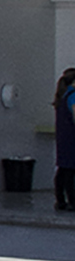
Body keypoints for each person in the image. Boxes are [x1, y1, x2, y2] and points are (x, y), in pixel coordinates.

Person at [55, 69, 75, 213]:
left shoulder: (62, 96)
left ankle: (61, 200)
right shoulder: (73, 96)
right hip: (71, 138)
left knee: (63, 170)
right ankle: (72, 201)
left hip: (63, 138)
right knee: (69, 171)